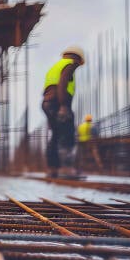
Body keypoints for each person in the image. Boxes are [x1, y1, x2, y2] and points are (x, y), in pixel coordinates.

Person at [42, 46, 85, 178]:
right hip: (58, 103)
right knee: (67, 134)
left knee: (55, 135)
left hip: (47, 103)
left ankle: (53, 169)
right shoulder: (69, 65)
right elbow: (62, 84)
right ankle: (66, 168)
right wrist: (64, 106)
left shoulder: (56, 66)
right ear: (77, 59)